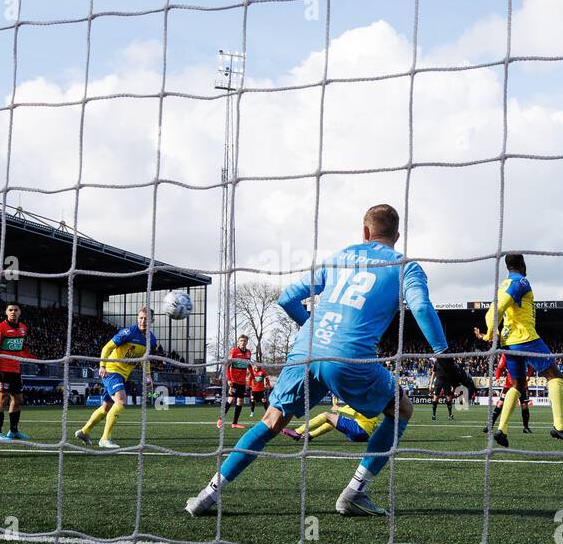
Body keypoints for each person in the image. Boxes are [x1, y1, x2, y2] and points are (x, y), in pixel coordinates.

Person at [185, 204, 474, 517]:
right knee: (402, 408)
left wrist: (312, 325)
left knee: (271, 421)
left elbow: (286, 299)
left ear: (365, 232)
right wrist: (444, 359)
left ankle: (207, 495)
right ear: (398, 235)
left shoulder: (339, 257)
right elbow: (420, 306)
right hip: (348, 357)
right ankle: (354, 492)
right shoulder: (405, 266)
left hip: (305, 351)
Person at [475, 254, 563, 447]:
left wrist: (490, 335)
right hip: (526, 338)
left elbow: (491, 313)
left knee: (517, 384)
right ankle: (559, 427)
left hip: (509, 343)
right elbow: (495, 311)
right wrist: (491, 334)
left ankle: (502, 430)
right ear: (522, 265)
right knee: (554, 375)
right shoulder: (521, 282)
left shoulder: (504, 285)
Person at [74, 307, 156, 450]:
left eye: (146, 319)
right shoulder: (129, 332)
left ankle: (84, 432)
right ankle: (105, 439)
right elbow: (107, 348)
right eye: (141, 318)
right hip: (112, 370)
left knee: (106, 407)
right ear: (137, 318)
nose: (143, 321)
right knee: (121, 401)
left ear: (152, 321)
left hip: (122, 375)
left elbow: (146, 359)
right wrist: (102, 365)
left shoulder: (151, 340)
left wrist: (148, 375)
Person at [0, 303, 37, 441]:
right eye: (10, 310)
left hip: (16, 369)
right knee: (2, 399)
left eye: (16, 310)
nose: (13, 312)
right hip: (3, 370)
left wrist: (34, 358)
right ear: (6, 312)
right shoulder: (0, 328)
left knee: (18, 400)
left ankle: (13, 431)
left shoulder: (23, 329)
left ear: (20, 312)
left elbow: (21, 350)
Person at [283, 398, 380, 443]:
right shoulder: (374, 404)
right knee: (333, 421)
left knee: (326, 415)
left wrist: (338, 408)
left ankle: (298, 431)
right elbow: (374, 425)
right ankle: (310, 435)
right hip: (364, 436)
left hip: (358, 430)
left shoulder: (364, 399)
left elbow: (354, 412)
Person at [219, 334, 252, 429]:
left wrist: (252, 376)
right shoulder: (234, 351)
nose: (243, 342)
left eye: (245, 341)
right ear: (238, 342)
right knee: (230, 399)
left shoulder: (249, 353)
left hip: (242, 382)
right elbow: (227, 366)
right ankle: (220, 419)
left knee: (240, 401)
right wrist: (229, 379)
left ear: (247, 342)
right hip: (234, 381)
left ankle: (234, 423)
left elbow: (249, 365)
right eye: (241, 340)